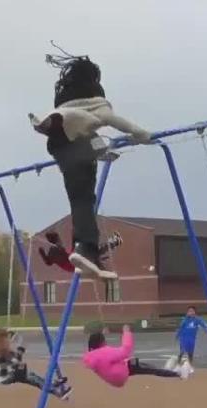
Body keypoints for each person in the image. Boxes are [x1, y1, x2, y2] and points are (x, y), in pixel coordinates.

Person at [29, 52, 151, 279]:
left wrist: (104, 153)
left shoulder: (66, 104)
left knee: (78, 199)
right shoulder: (97, 105)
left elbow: (93, 141)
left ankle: (84, 252)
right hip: (76, 146)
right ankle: (85, 248)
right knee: (85, 198)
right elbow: (120, 123)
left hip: (58, 144)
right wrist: (143, 135)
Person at [83, 324, 185, 387]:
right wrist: (126, 332)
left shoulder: (91, 356)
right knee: (152, 369)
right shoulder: (103, 352)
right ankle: (177, 373)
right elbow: (126, 350)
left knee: (147, 366)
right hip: (124, 370)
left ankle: (171, 371)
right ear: (101, 342)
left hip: (116, 375)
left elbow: (106, 358)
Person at [0, 328, 72, 400]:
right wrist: (20, 349)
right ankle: (52, 386)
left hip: (0, 377)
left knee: (30, 376)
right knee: (28, 374)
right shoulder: (2, 351)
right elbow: (16, 361)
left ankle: (56, 390)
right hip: (5, 377)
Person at [37, 231, 122, 274]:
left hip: (71, 265)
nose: (61, 240)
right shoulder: (56, 248)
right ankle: (115, 241)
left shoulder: (53, 251)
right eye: (59, 239)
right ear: (56, 239)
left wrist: (42, 253)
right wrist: (42, 253)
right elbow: (65, 257)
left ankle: (113, 242)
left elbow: (49, 262)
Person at [168, 306, 207, 375]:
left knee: (190, 354)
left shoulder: (197, 319)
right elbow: (180, 328)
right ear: (187, 312)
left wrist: (206, 329)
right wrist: (177, 336)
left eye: (192, 311)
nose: (190, 312)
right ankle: (178, 366)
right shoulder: (185, 320)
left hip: (192, 339)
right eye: (189, 311)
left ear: (195, 312)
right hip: (183, 338)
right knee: (181, 352)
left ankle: (190, 367)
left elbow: (203, 324)